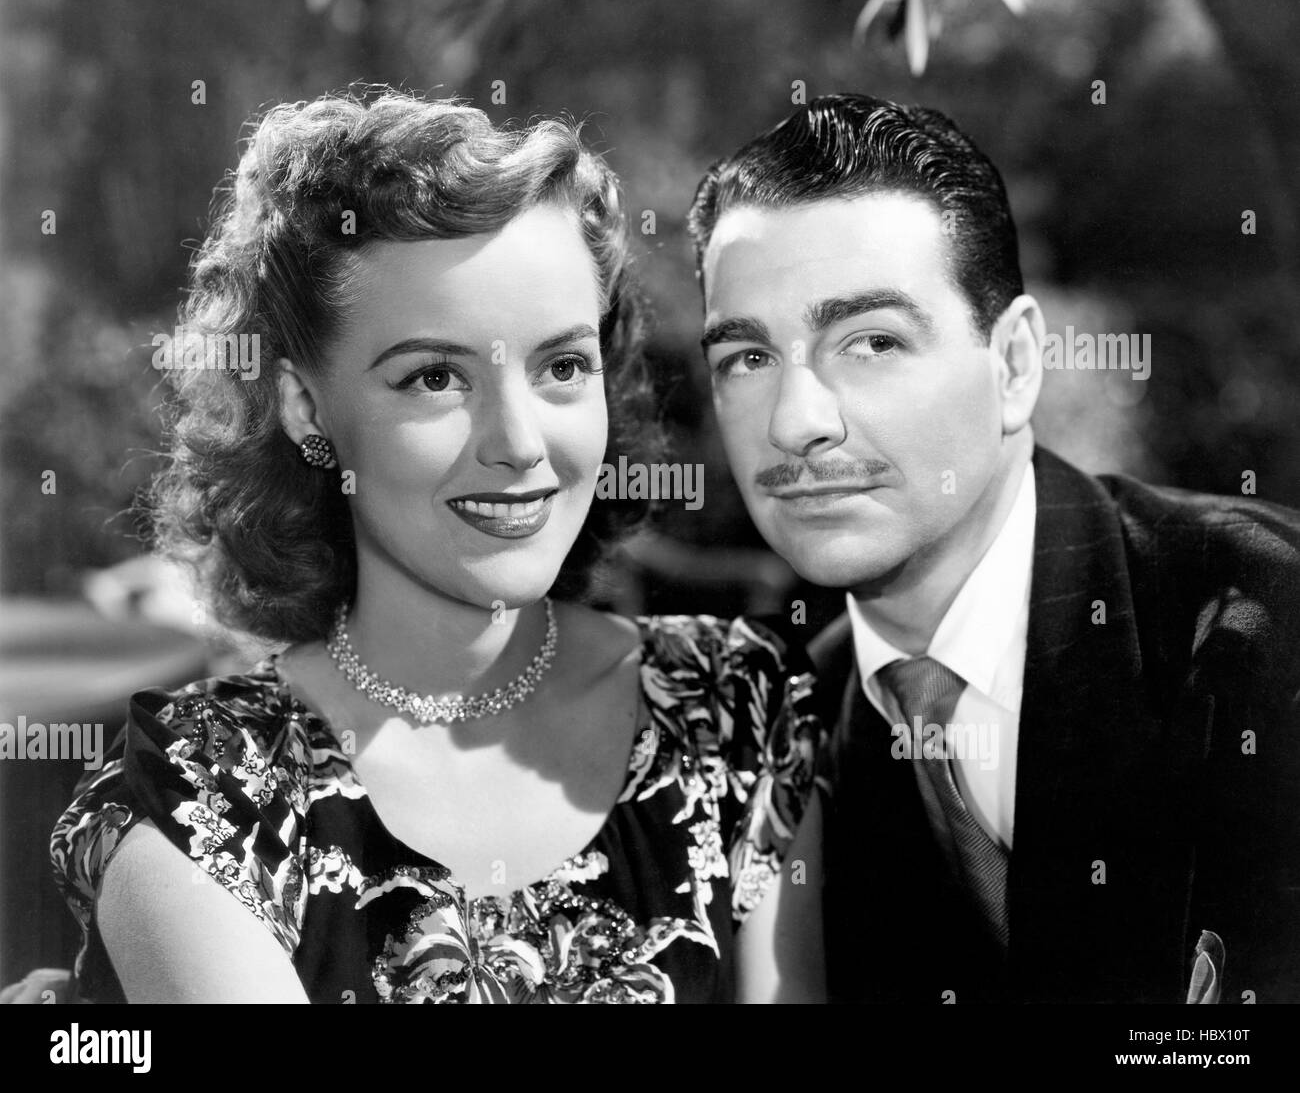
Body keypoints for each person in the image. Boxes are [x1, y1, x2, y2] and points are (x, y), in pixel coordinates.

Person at [47, 89, 825, 1004]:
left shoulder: (737, 710)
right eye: (434, 376)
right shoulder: (199, 797)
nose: (521, 442)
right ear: (306, 408)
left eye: (561, 366)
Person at [686, 93, 1300, 1004]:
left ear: (1013, 365)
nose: (796, 421)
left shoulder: (1260, 620)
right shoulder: (782, 746)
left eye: (872, 341)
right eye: (746, 357)